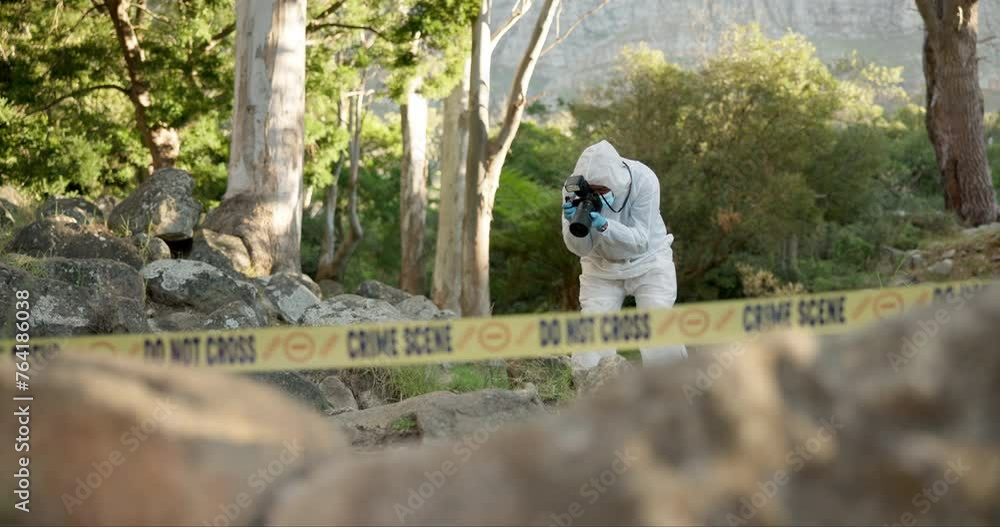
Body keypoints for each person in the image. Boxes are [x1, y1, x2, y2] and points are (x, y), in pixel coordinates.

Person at [561, 140, 687, 371]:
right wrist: (573, 225)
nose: (595, 196)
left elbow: (640, 241)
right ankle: (592, 398)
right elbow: (579, 249)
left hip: (649, 261)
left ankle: (677, 394)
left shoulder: (644, 180)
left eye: (601, 191)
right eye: (591, 190)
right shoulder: (573, 190)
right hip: (600, 267)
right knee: (591, 342)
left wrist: (604, 225)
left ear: (616, 183)